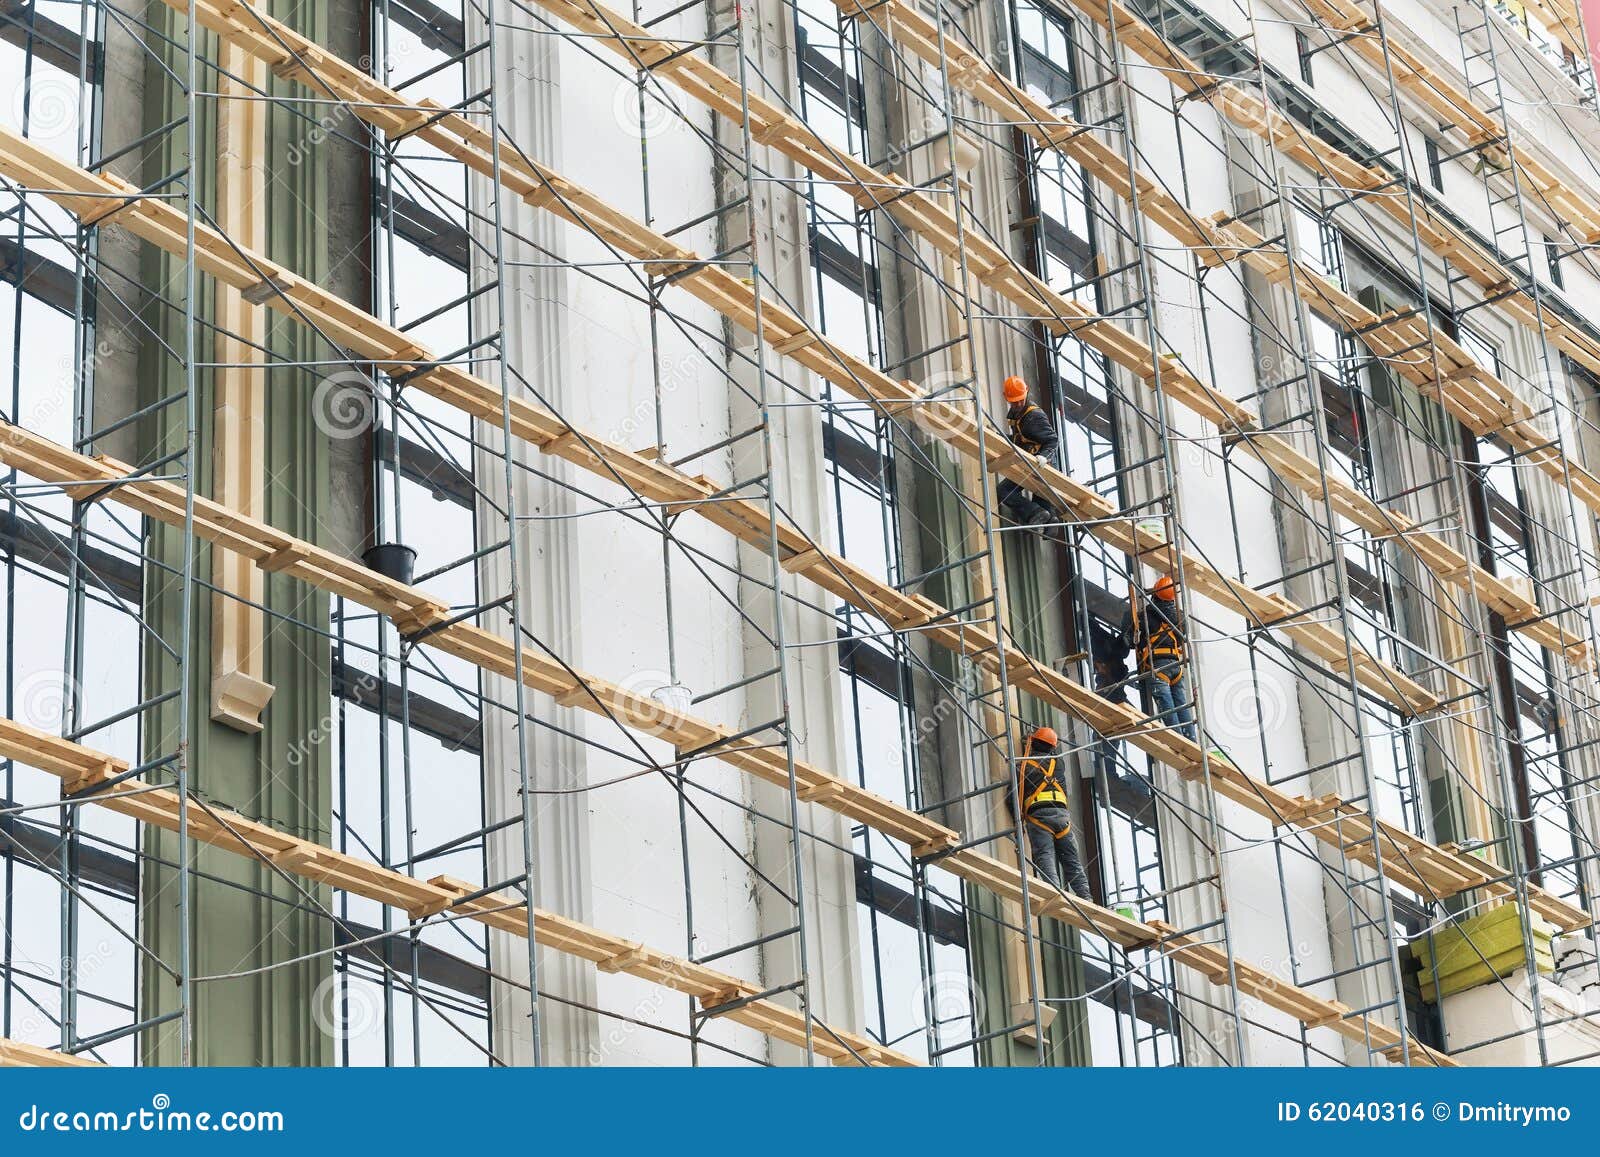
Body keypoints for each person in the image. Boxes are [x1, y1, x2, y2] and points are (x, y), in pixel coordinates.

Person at [1009, 724, 1093, 900]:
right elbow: (1047, 755)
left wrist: (1017, 823)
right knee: (1072, 860)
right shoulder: (1059, 763)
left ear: (1033, 744)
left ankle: (1053, 893)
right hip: (1062, 817)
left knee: (1045, 855)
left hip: (1039, 817)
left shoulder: (1022, 767)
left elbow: (1011, 797)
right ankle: (1086, 897)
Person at [1120, 576, 1196, 741]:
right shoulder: (1179, 616)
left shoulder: (1146, 616)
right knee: (1182, 705)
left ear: (1155, 595)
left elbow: (1131, 642)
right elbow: (1183, 638)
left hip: (1159, 666)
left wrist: (1131, 626)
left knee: (1167, 709)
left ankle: (1178, 741)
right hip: (1176, 666)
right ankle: (1191, 740)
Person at [996, 376, 1058, 531]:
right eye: (1014, 401)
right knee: (1040, 496)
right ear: (1006, 398)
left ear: (1026, 393)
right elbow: (1021, 440)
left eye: (1020, 400)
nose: (1018, 403)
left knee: (1005, 491)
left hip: (1041, 464)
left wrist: (1044, 456)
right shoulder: (1017, 415)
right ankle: (1049, 520)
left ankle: (1036, 514)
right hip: (1029, 462)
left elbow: (1052, 440)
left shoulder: (1034, 416)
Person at [1089, 622, 1130, 784]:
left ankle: (1108, 771)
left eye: (1099, 666)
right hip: (1108, 715)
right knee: (1105, 741)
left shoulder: (1116, 675)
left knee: (1109, 742)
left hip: (1111, 715)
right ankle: (1105, 769)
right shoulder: (1109, 654)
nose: (1096, 668)